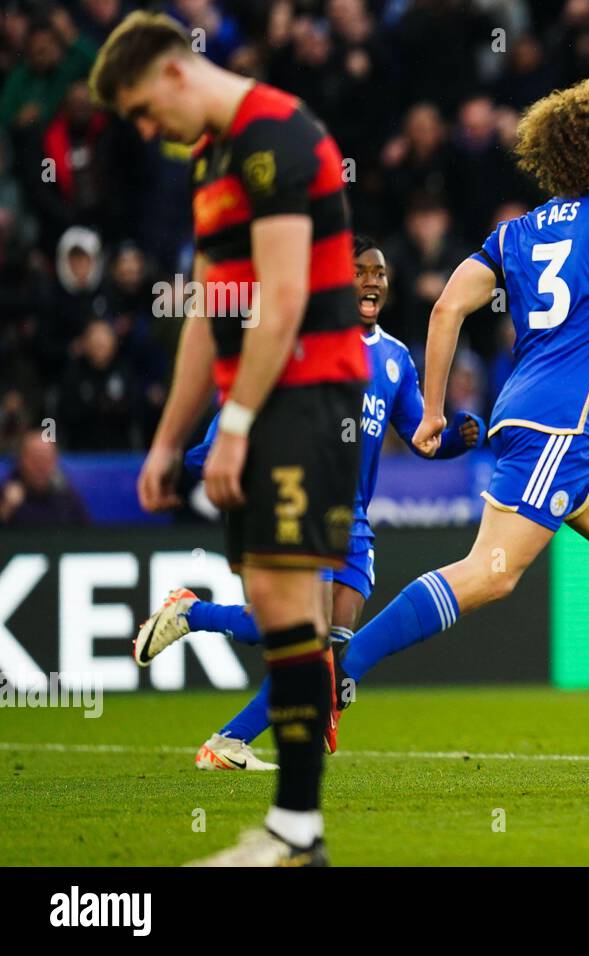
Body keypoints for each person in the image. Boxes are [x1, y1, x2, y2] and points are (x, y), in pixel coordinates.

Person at [336, 79, 589, 775]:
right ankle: (342, 665)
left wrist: (430, 409)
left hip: (551, 424)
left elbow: (445, 309)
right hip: (558, 428)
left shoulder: (515, 232)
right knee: (490, 574)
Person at [93, 11, 364, 865]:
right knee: (283, 610)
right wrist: (169, 440)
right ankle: (297, 832)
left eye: (142, 110)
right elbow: (212, 313)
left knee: (295, 608)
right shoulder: (211, 160)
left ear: (174, 75)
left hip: (309, 395)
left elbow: (282, 299)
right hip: (257, 401)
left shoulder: (277, 135)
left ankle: (294, 830)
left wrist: (238, 426)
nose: (146, 131)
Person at [133, 236, 483, 771]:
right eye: (361, 270)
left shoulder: (394, 360)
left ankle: (194, 625)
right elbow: (243, 396)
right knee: (311, 643)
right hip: (302, 506)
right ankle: (222, 720)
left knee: (331, 655)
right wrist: (201, 459)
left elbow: (421, 436)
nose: (373, 280)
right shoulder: (304, 341)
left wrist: (457, 435)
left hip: (356, 521)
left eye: (381, 273)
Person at [0, 429, 90, 527]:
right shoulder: (6, 493)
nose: (41, 466)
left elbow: (85, 535)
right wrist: (6, 508)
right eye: (36, 459)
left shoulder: (65, 494)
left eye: (47, 459)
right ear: (21, 460)